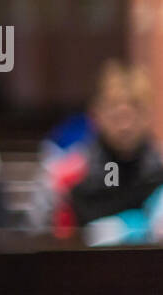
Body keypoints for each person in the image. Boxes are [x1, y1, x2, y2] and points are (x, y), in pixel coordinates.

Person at [41, 59, 163, 242]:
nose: (125, 124)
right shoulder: (65, 174)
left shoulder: (160, 169)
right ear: (95, 113)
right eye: (115, 111)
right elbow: (41, 240)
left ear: (149, 114)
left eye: (135, 109)